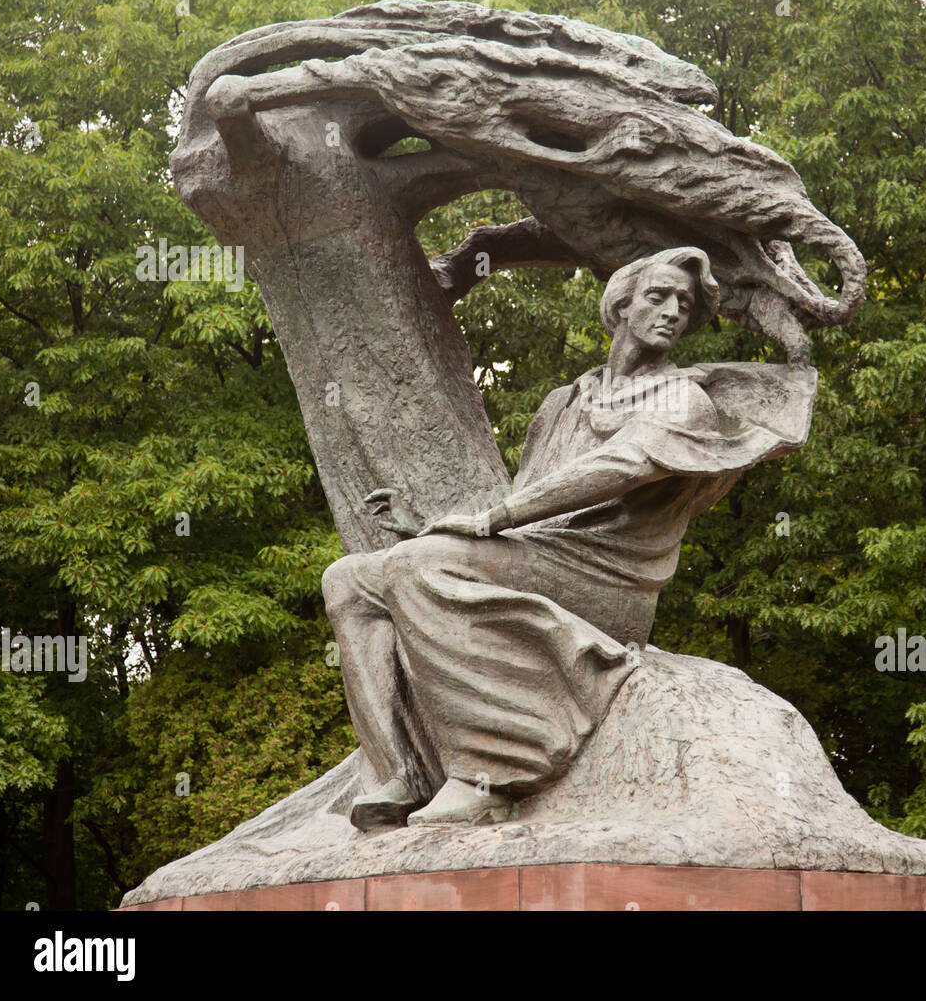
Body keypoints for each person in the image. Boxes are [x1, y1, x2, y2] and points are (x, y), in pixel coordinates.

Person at [322, 246, 816, 827]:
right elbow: (535, 497)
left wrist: (491, 521)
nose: (673, 312)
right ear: (620, 305)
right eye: (658, 296)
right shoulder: (565, 402)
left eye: (684, 304)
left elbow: (624, 465)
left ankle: (489, 776)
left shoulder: (684, 400)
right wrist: (428, 524)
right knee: (350, 578)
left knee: (415, 567)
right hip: (545, 554)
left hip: (610, 578)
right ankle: (401, 774)